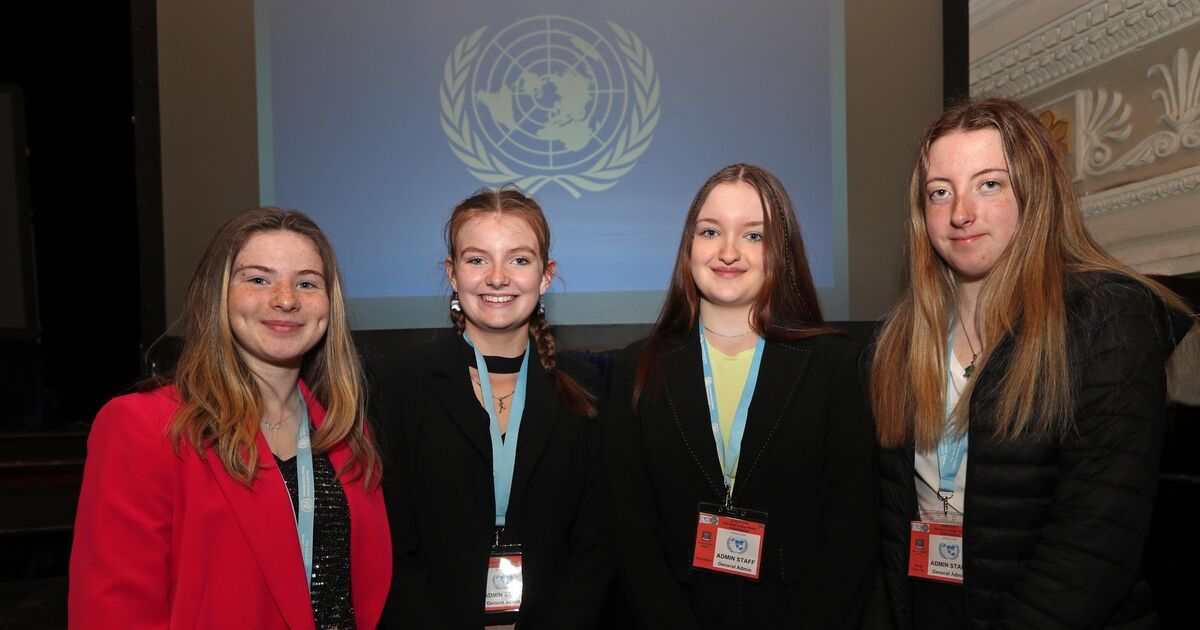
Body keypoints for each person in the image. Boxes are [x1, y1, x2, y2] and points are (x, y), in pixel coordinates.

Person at [870, 97, 1197, 629]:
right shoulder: (897, 341)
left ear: (1035, 192)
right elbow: (887, 528)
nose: (960, 213)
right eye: (940, 192)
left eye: (990, 184)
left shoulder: (1108, 321)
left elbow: (1091, 549)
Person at [69, 208, 391, 629]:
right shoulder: (145, 426)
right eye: (258, 279)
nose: (286, 299)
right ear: (217, 294)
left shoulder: (345, 433)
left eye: (307, 283)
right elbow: (112, 613)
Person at [604, 164, 878, 629]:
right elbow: (631, 534)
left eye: (754, 236)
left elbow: (851, 533)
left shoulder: (836, 366)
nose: (728, 251)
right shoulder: (639, 367)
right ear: (689, 246)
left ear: (782, 251)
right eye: (711, 231)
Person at [376, 189, 613, 629]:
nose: (498, 278)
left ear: (546, 275)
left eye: (519, 260)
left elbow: (595, 545)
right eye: (477, 259)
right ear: (452, 273)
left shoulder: (588, 388)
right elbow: (392, 545)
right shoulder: (399, 386)